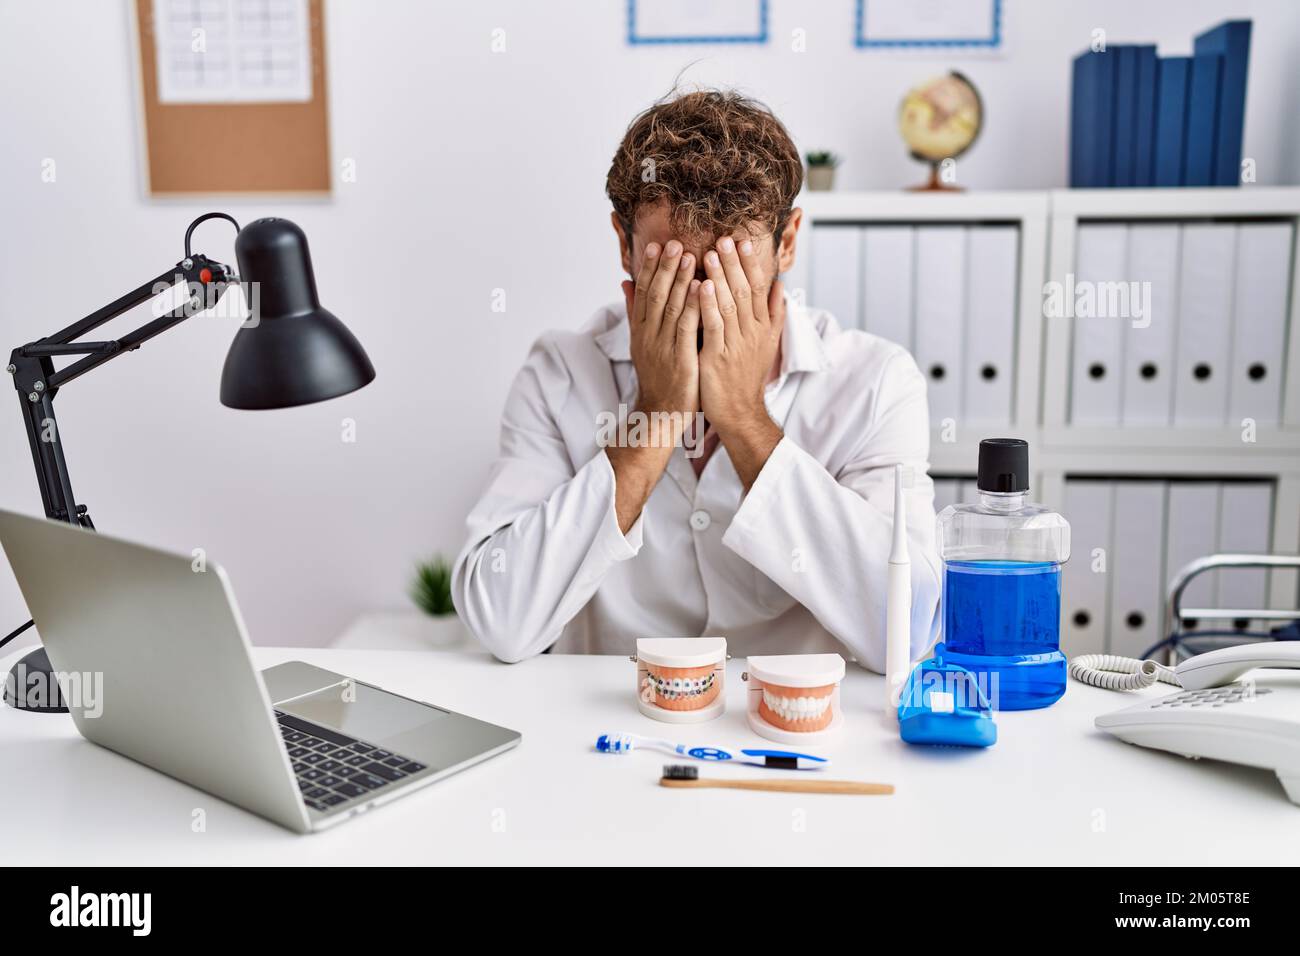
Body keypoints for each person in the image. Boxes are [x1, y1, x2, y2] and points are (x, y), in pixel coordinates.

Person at [453, 88, 940, 669]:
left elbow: (906, 629)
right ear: (625, 245)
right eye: (675, 270)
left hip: (799, 737)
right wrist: (654, 419)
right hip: (607, 734)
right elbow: (501, 621)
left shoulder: (874, 382)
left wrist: (745, 420)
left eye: (727, 271)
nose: (705, 303)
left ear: (786, 243)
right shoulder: (561, 374)